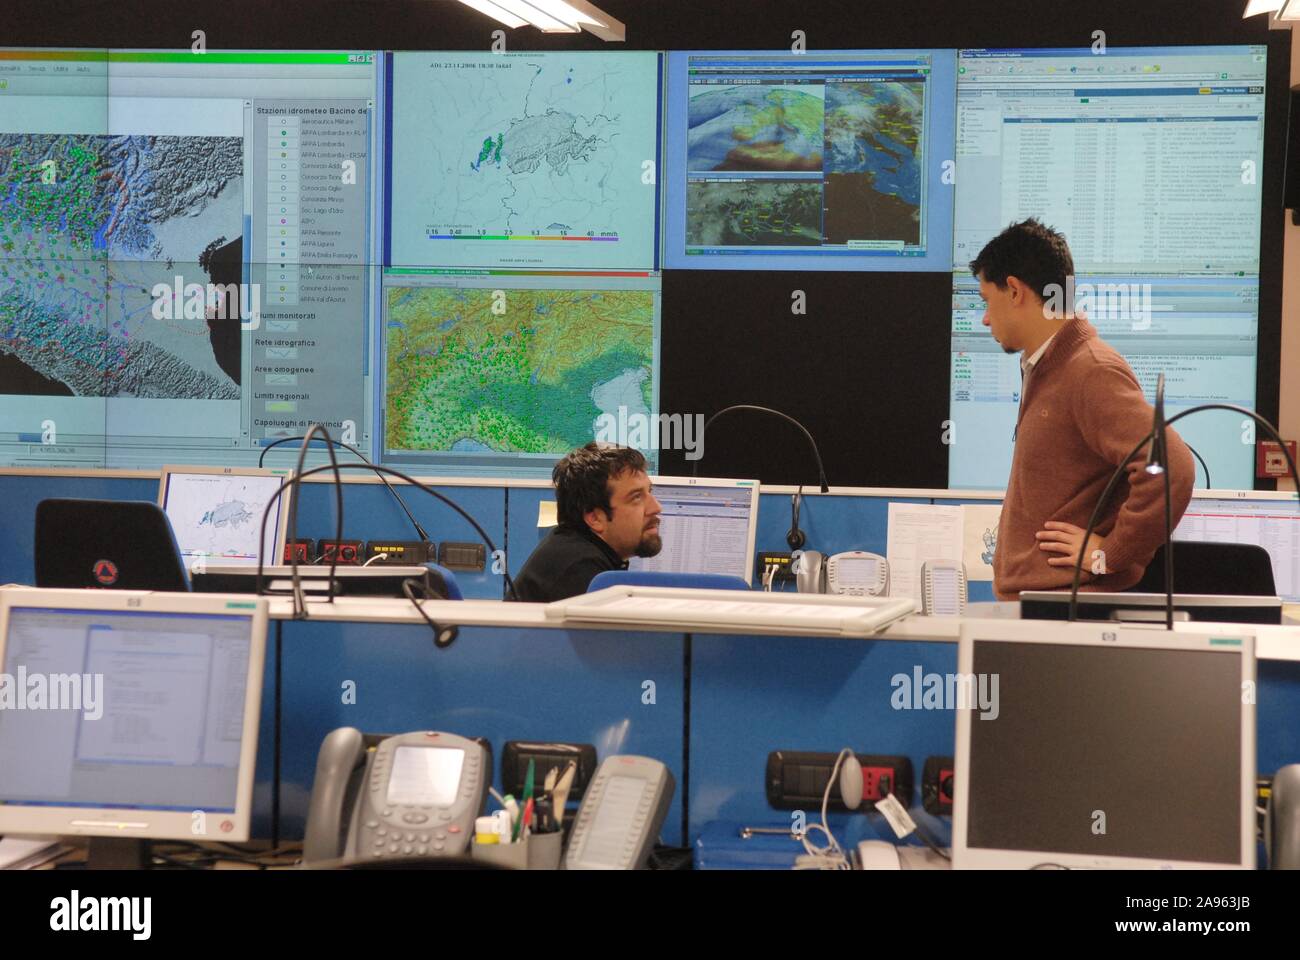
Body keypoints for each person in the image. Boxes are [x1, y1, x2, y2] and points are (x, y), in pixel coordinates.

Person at [970, 219, 1194, 600]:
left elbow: (1171, 466)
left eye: (987, 301)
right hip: (1042, 605)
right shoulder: (1047, 366)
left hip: (1064, 609)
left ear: (1014, 291)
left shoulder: (1090, 370)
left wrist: (1111, 553)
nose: (986, 318)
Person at [512, 442, 663, 602]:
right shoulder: (579, 571)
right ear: (595, 518)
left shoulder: (582, 552)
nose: (656, 507)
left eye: (650, 491)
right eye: (636, 497)